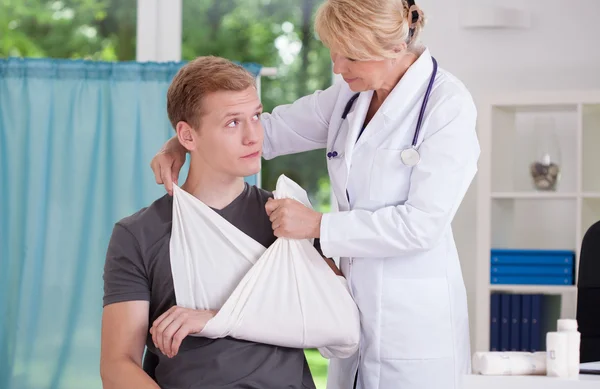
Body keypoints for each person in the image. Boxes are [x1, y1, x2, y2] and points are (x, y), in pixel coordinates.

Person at [150, 0, 480, 388]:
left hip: (415, 325)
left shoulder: (446, 106)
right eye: (334, 52)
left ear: (393, 48)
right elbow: (263, 133)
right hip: (349, 316)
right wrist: (180, 141)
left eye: (350, 57)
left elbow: (422, 226)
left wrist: (318, 225)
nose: (338, 68)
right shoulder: (350, 96)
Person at [100, 56, 343, 389]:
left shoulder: (288, 217)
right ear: (187, 136)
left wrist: (219, 320)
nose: (253, 137)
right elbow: (118, 364)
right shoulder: (139, 233)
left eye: (256, 117)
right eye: (232, 122)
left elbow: (339, 325)